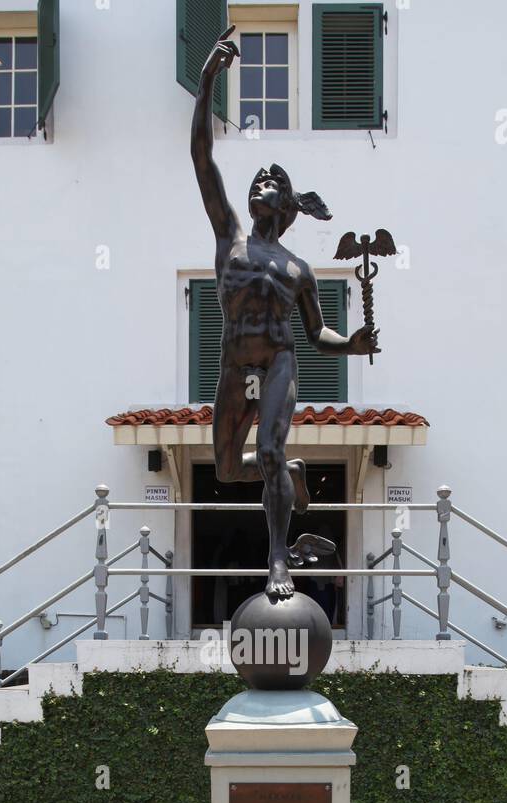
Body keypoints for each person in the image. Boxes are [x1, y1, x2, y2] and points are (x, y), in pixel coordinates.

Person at [191, 26, 379, 601]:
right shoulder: (231, 238)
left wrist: (352, 344)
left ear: (287, 203)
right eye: (256, 179)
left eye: (270, 181)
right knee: (226, 468)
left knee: (267, 450)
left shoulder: (298, 267)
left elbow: (317, 331)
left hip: (277, 362)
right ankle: (291, 475)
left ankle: (279, 559)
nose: (259, 183)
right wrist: (206, 82)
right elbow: (201, 157)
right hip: (232, 366)